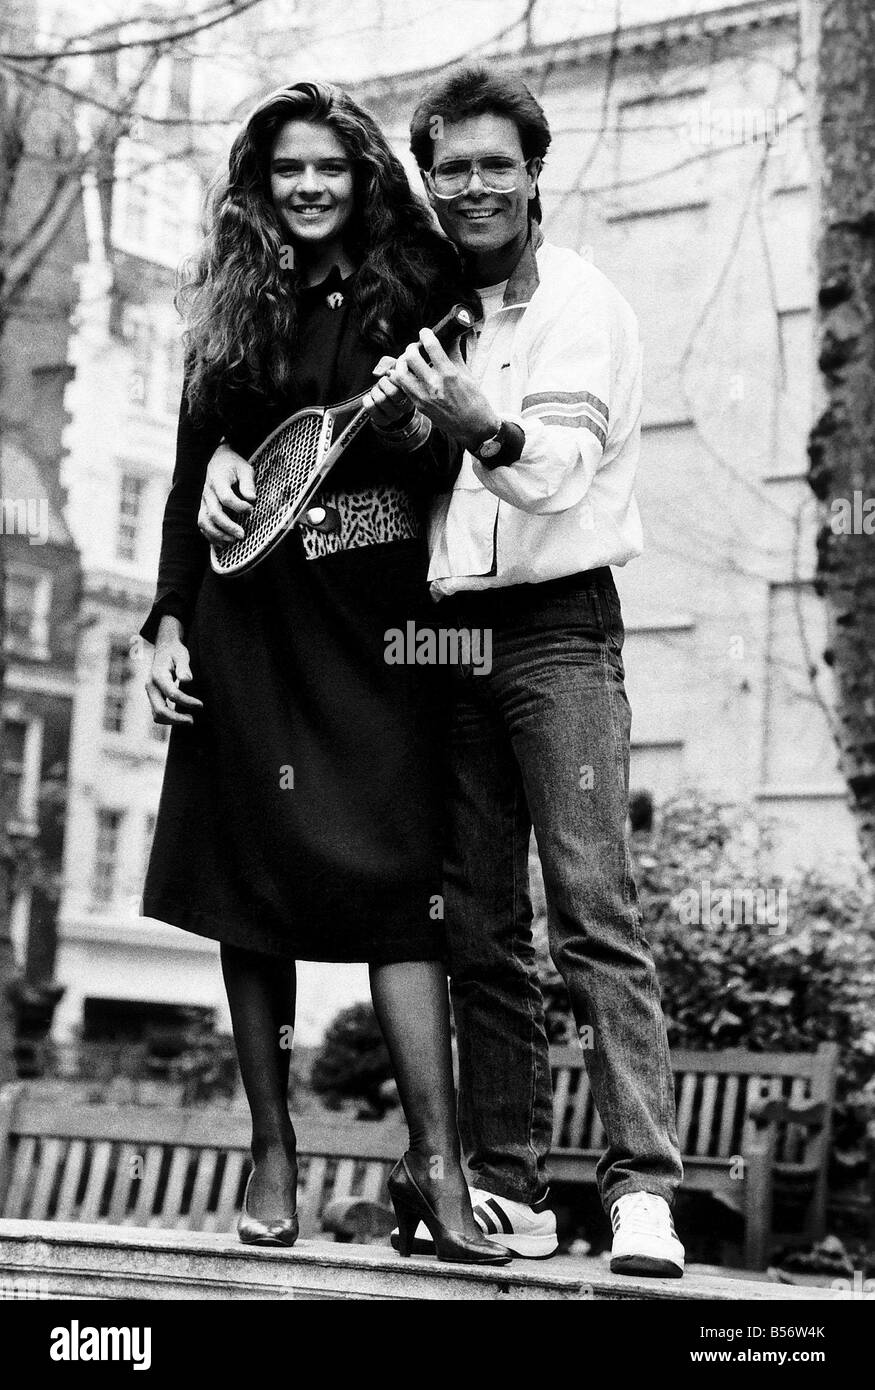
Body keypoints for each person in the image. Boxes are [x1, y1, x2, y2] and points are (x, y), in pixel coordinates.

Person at [139, 79, 506, 1266]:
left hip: (378, 627)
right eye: (285, 169)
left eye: (328, 169)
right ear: (260, 184)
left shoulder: (422, 284)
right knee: (253, 883)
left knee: (405, 883)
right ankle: (272, 1147)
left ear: (360, 177)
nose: (306, 187)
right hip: (250, 622)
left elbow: (444, 448)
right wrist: (165, 619)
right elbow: (194, 469)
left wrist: (414, 430)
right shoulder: (233, 309)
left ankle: (435, 1160)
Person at [364, 64, 686, 1277]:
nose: (474, 185)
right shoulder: (434, 314)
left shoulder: (582, 306)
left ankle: (640, 1192)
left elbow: (548, 466)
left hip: (559, 629)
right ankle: (507, 1186)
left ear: (535, 172)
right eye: (450, 167)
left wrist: (468, 424)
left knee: (595, 914)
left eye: (497, 163)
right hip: (452, 637)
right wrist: (393, 428)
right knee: (482, 929)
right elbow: (399, 478)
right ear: (430, 181)